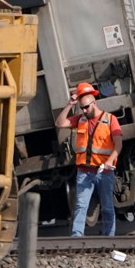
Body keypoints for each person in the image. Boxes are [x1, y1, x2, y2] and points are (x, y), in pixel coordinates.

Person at [55, 82, 122, 236]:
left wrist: (110, 161)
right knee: (80, 205)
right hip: (84, 171)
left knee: (107, 206)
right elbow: (59, 123)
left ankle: (109, 237)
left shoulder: (110, 119)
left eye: (86, 107)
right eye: (82, 108)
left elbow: (118, 145)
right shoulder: (80, 119)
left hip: (104, 172)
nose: (84, 111)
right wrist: (69, 104)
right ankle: (77, 236)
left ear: (94, 103)